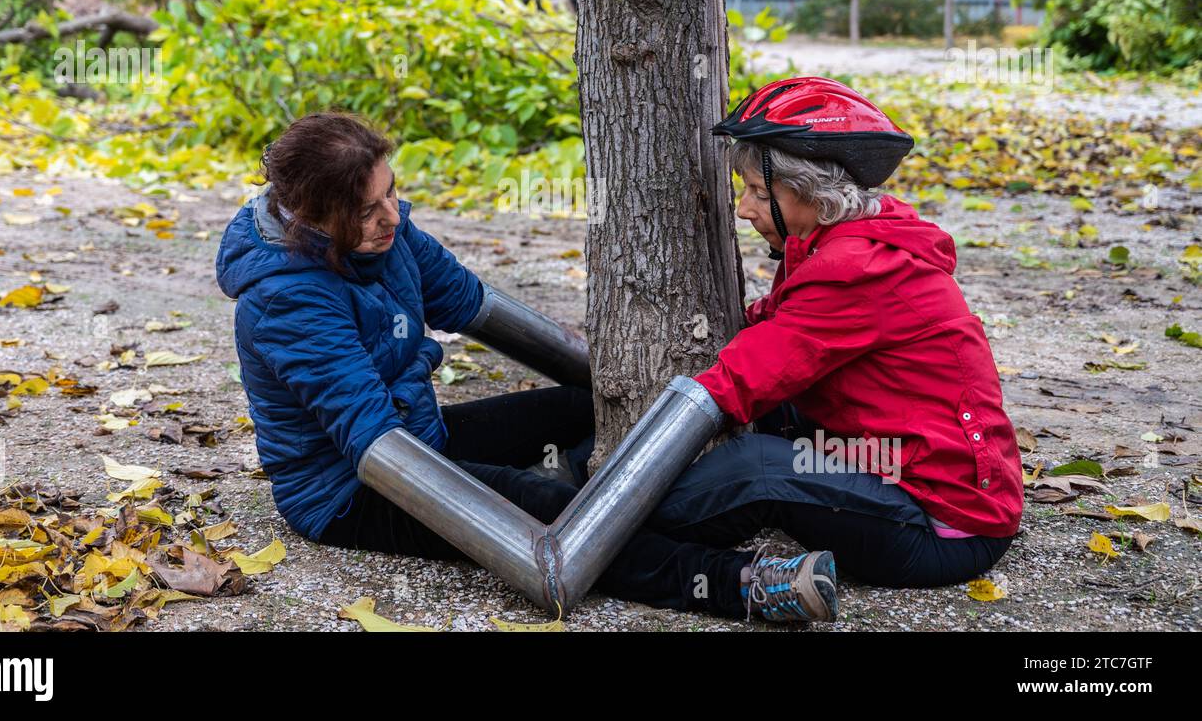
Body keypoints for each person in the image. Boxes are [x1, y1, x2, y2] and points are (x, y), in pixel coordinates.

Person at [215, 111, 838, 624]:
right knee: (546, 516)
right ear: (314, 218)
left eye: (392, 192)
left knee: (577, 408)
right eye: (368, 210)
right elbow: (371, 439)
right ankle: (742, 584)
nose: (393, 217)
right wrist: (512, 505)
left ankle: (638, 496)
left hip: (415, 430)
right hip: (353, 484)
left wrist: (620, 378)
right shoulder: (284, 299)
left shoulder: (386, 233)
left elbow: (472, 304)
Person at [643, 76, 1024, 615]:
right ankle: (559, 492)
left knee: (757, 467)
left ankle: (591, 521)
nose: (745, 209)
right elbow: (774, 333)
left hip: (944, 526)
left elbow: (739, 381)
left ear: (812, 193)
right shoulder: (841, 243)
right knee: (758, 437)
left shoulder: (857, 267)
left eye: (758, 191)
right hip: (886, 462)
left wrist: (633, 486)